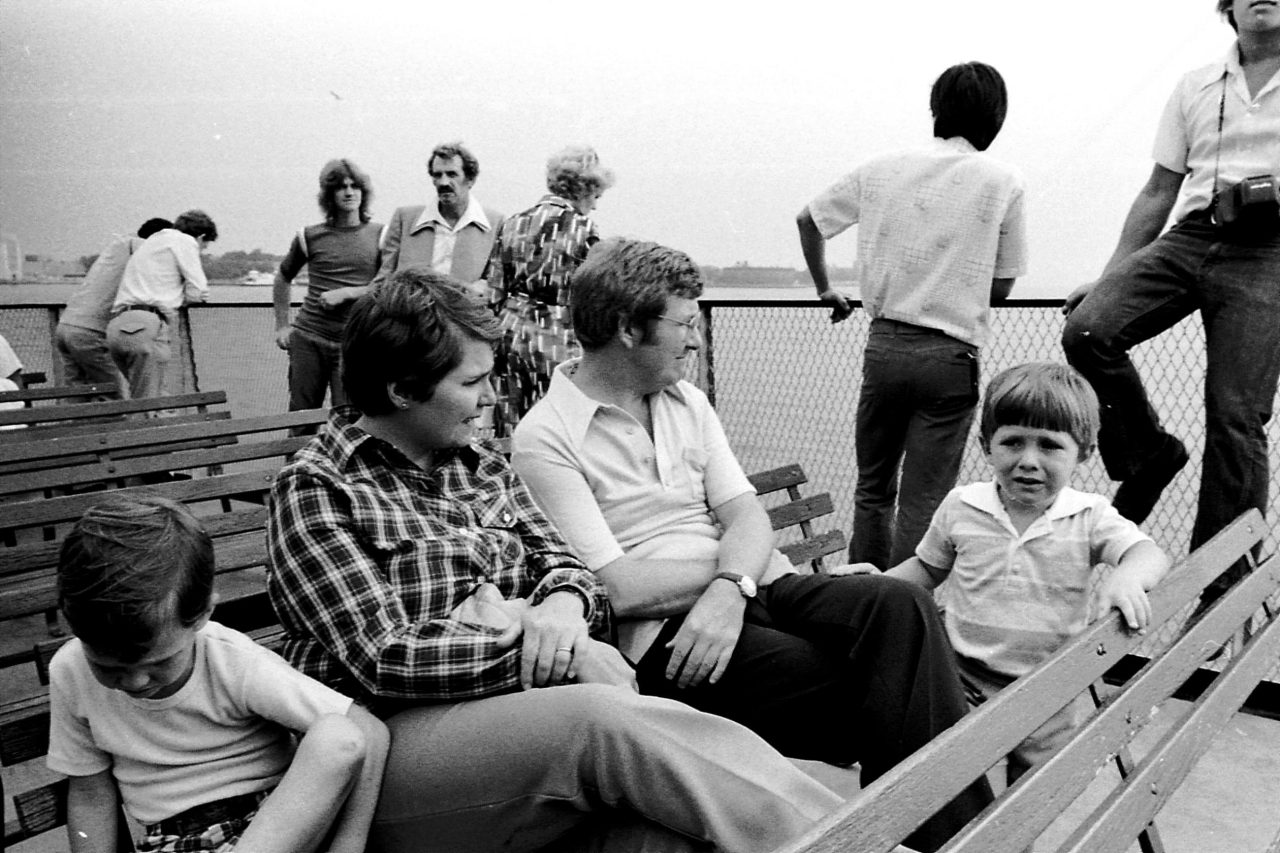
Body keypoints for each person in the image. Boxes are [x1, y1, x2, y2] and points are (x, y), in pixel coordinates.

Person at [265, 268, 853, 853]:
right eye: (473, 383)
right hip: (395, 753)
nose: (491, 398)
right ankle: (862, 841)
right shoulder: (317, 488)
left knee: (668, 839)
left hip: (525, 728)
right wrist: (561, 652)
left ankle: (871, 825)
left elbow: (572, 572)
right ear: (401, 390)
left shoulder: (483, 464)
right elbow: (386, 656)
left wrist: (562, 608)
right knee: (602, 720)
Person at [510, 238, 992, 853]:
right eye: (684, 323)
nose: (695, 338)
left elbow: (747, 515)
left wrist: (731, 586)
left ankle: (947, 840)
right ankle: (975, 839)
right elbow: (618, 586)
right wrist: (733, 575)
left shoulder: (687, 402)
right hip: (671, 639)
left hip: (745, 589)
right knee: (885, 688)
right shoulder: (546, 438)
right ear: (629, 329)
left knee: (900, 607)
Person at [849, 363, 1170, 784]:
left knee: (1031, 800)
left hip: (1050, 692)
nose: (1028, 462)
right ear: (987, 446)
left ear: (1085, 451)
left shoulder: (1089, 515)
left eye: (1050, 446)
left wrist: (1127, 575)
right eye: (1013, 442)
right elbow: (926, 569)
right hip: (958, 680)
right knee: (946, 784)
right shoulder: (962, 505)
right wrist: (875, 586)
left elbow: (1149, 553)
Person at [1062, 0, 1280, 604]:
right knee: (1088, 329)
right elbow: (1160, 187)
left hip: (1269, 252)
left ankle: (1219, 590)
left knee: (1236, 417)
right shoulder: (1196, 85)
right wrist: (1111, 277)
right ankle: (1150, 452)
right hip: (1191, 236)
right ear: (1228, 5)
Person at [47, 493, 388, 853]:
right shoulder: (70, 672)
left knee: (337, 734)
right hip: (179, 843)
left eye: (159, 663)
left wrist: (349, 843)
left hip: (278, 825)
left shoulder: (232, 662)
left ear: (204, 614)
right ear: (72, 624)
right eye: (108, 667)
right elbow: (89, 794)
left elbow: (369, 733)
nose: (134, 682)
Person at [797, 61, 1028, 571]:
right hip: (948, 355)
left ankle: (860, 598)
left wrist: (825, 289)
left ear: (936, 110)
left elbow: (809, 219)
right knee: (925, 501)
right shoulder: (1002, 181)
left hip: (884, 347)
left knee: (873, 488)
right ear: (996, 116)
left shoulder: (882, 167)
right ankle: (905, 610)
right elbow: (1004, 284)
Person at [485, 145, 616, 434]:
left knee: (510, 425)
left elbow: (493, 293)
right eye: (596, 196)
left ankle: (509, 477)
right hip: (558, 338)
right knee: (555, 427)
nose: (594, 205)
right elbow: (595, 298)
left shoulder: (513, 223)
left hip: (510, 337)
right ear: (584, 188)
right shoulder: (584, 229)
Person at [272, 159, 382, 412]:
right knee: (301, 416)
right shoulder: (308, 236)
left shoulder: (381, 235)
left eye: (355, 186)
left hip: (354, 342)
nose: (349, 192)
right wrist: (281, 326)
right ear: (329, 194)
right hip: (309, 337)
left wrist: (348, 293)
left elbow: (389, 284)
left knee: (348, 418)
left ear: (364, 192)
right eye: (341, 187)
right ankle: (296, 454)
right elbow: (282, 277)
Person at [106, 210, 217, 400]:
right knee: (150, 403)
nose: (201, 251)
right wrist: (183, 299)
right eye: (204, 246)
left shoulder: (152, 242)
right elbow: (198, 292)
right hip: (146, 325)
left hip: (117, 326)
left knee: (142, 396)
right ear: (201, 237)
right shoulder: (185, 241)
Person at [56, 217, 172, 396]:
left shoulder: (118, 247)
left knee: (78, 396)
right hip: (91, 332)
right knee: (113, 396)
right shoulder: (142, 248)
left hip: (65, 326)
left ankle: (79, 423)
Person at [371, 141, 502, 293]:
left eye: (452, 174)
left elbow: (495, 282)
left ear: (470, 179)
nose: (443, 182)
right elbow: (384, 278)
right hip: (409, 312)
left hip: (463, 313)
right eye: (437, 175)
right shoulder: (405, 219)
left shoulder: (494, 223)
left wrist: (477, 289)